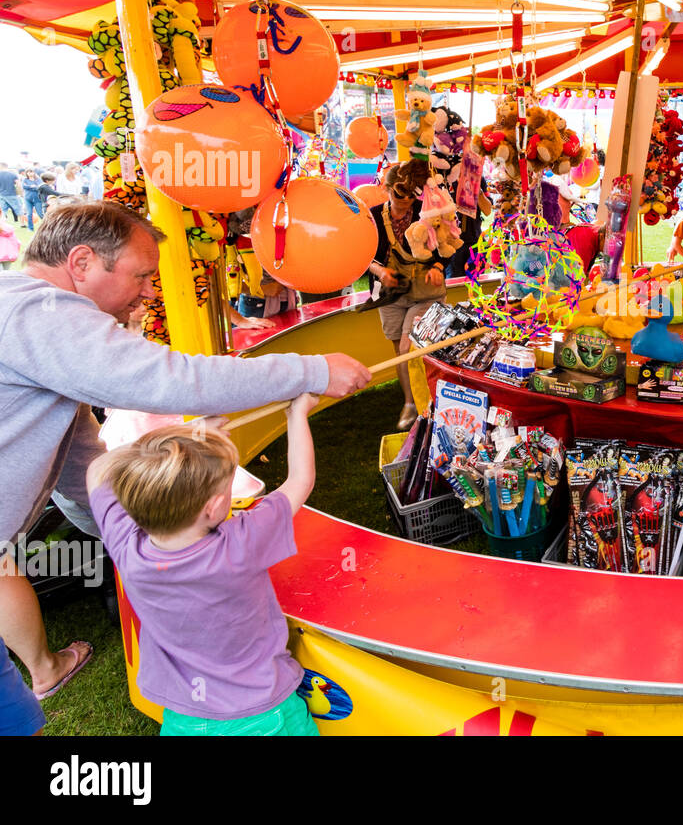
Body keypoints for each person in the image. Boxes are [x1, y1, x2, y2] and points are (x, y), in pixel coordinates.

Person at [0, 201, 370, 730]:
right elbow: (172, 380)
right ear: (81, 263)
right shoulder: (42, 312)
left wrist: (138, 531)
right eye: (141, 275)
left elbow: (82, 461)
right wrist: (308, 372)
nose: (149, 291)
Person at [86, 396, 320, 736]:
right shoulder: (241, 542)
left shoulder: (125, 544)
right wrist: (297, 413)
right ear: (212, 508)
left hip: (185, 721)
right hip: (265, 715)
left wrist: (173, 442)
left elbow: (97, 468)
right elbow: (300, 480)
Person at [366, 160, 450, 429]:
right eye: (397, 198)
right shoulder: (371, 217)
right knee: (397, 348)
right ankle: (412, 400)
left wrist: (438, 266)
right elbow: (361, 256)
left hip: (424, 292)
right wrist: (380, 272)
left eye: (409, 200)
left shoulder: (428, 212)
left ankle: (417, 405)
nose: (404, 206)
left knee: (408, 347)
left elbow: (449, 245)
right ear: (386, 189)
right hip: (390, 293)